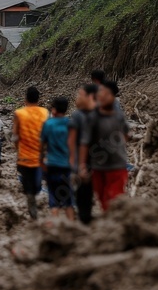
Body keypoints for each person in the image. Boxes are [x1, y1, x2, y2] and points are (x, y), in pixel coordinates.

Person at [80, 81, 131, 212]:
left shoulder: (119, 117)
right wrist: (82, 165)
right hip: (98, 166)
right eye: (100, 93)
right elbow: (85, 142)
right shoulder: (92, 118)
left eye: (106, 93)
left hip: (117, 165)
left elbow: (125, 134)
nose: (102, 96)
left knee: (115, 196)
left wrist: (117, 149)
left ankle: (116, 222)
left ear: (114, 96)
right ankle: (109, 222)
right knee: (102, 198)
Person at [12, 87, 49, 220]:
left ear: (25, 99)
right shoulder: (45, 113)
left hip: (24, 157)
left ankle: (30, 197)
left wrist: (18, 148)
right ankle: (34, 196)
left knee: (27, 183)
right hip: (40, 157)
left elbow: (15, 137)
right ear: (38, 100)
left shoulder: (19, 113)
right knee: (38, 183)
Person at [40, 97, 75, 220]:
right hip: (66, 166)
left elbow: (41, 146)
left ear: (53, 110)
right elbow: (73, 146)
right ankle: (71, 226)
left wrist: (41, 163)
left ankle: (55, 227)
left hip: (52, 165)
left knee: (53, 197)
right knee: (68, 199)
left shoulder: (48, 124)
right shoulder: (70, 124)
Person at [70, 84, 99, 224]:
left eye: (79, 95)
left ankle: (85, 219)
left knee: (82, 193)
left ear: (89, 97)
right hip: (98, 159)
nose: (77, 98)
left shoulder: (77, 116)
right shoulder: (100, 113)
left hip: (83, 159)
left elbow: (72, 141)